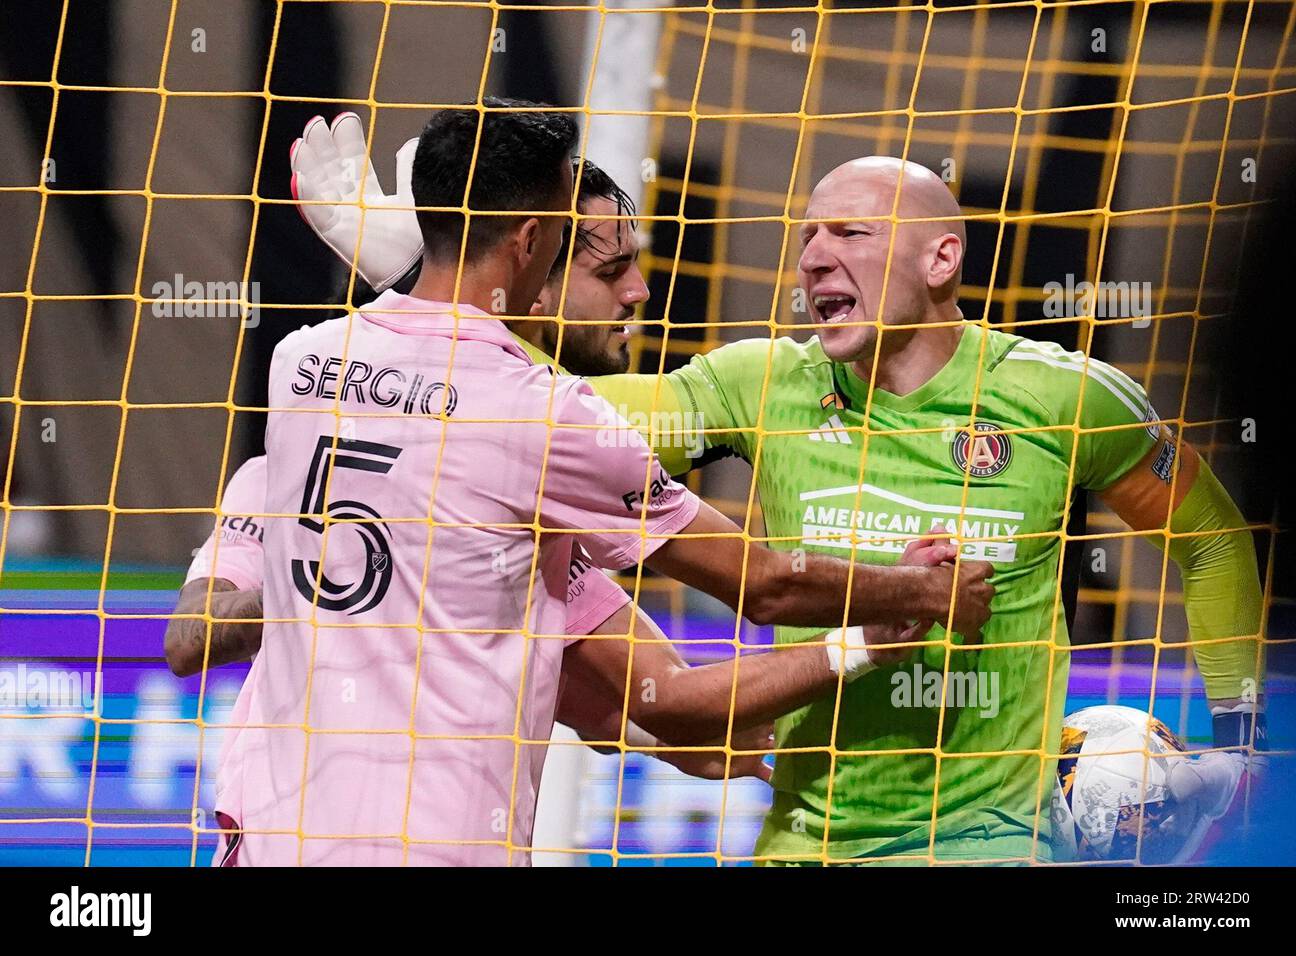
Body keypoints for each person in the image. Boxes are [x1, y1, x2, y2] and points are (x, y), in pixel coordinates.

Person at [299, 131, 1266, 864]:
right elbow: (546, 405)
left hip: (987, 843)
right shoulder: (759, 384)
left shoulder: (1065, 395)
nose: (812, 258)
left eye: (849, 232)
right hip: (802, 844)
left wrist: (1244, 734)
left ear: (942, 258)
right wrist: (415, 270)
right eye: (808, 235)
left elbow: (1214, 542)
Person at [210, 101, 992, 866]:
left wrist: (403, 268)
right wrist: (911, 597)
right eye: (597, 260)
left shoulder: (301, 363)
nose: (639, 292)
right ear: (532, 244)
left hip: (268, 834)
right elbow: (760, 587)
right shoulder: (551, 425)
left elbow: (647, 703)